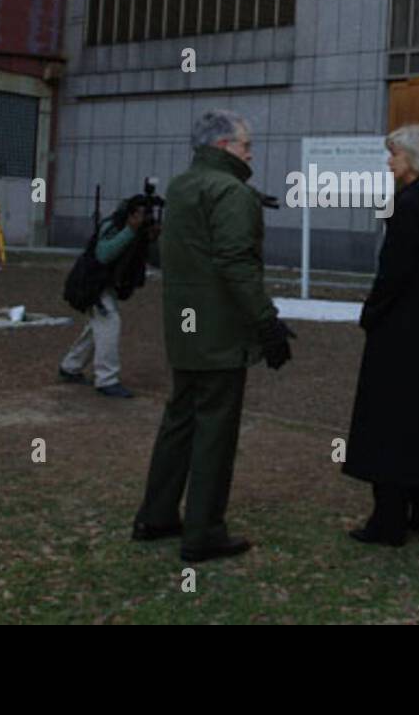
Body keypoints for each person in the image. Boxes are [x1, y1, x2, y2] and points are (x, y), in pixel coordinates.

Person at [132, 110, 294, 563]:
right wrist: (267, 323)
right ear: (224, 146)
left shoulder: (183, 185)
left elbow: (179, 254)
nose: (251, 152)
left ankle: (156, 513)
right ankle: (203, 531)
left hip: (184, 328)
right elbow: (236, 264)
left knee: (179, 423)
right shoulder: (231, 192)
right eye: (246, 145)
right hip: (220, 333)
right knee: (215, 433)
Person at [343, 124, 419, 546]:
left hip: (400, 332)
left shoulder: (409, 206)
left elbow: (394, 272)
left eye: (395, 154)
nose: (390, 161)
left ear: (414, 159)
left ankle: (388, 520)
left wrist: (372, 312)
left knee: (390, 421)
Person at [58, 196, 151, 398]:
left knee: (97, 328)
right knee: (109, 323)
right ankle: (106, 379)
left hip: (102, 285)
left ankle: (70, 367)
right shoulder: (113, 226)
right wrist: (130, 230)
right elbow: (104, 254)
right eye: (140, 214)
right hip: (91, 284)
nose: (143, 218)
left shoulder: (133, 230)